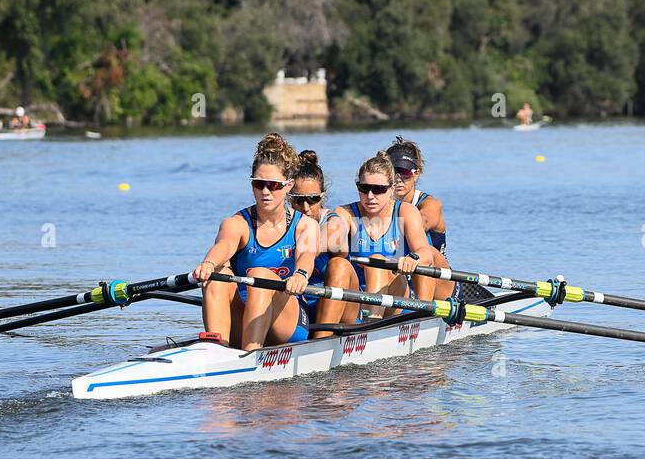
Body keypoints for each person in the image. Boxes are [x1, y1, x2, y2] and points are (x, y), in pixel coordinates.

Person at [193, 134, 320, 350]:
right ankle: (215, 352)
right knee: (218, 274)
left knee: (260, 275)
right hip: (243, 318)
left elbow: (306, 256)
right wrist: (208, 264)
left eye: (273, 185)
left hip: (287, 323)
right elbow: (224, 245)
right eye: (259, 184)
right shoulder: (237, 223)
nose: (265, 192)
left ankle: (250, 354)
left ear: (288, 186)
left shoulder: (305, 225)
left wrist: (300, 275)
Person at [333, 151, 452, 316]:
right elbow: (330, 232)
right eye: (364, 188)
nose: (370, 196)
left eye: (379, 190)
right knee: (376, 261)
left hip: (404, 289)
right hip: (360, 294)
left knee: (424, 254)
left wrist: (413, 258)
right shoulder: (345, 213)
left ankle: (422, 315)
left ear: (391, 189)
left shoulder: (408, 211)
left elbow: (424, 252)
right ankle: (370, 320)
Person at [288, 150, 359, 337]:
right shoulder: (280, 224)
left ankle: (322, 341)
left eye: (313, 199)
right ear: (288, 197)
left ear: (323, 196)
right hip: (297, 305)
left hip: (341, 309)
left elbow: (318, 243)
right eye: (298, 200)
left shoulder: (333, 221)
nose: (305, 208)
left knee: (339, 265)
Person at [385, 137, 450, 262]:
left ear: (416, 173)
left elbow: (422, 222)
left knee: (426, 250)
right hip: (399, 270)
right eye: (393, 172)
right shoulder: (375, 202)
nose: (398, 179)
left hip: (434, 273)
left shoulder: (431, 204)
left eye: (404, 172)